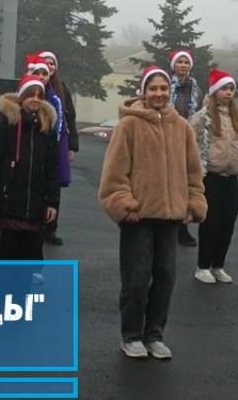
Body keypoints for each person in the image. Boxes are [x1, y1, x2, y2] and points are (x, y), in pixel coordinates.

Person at [99, 66, 207, 361]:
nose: (158, 93)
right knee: (136, 280)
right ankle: (131, 335)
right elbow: (114, 173)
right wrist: (125, 205)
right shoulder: (128, 126)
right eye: (153, 88)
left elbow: (193, 172)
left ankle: (154, 334)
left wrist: (193, 203)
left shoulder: (182, 128)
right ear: (143, 92)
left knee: (165, 278)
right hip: (139, 217)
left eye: (163, 88)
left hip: (171, 218)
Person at [0, 74, 60, 260]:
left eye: (39, 96)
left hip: (36, 205)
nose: (35, 99)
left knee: (30, 261)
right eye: (31, 95)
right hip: (8, 203)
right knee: (5, 260)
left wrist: (52, 202)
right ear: (22, 97)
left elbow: (52, 168)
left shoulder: (46, 129)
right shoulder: (7, 124)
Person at [188, 69, 238, 285]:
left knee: (228, 222)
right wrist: (193, 177)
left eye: (231, 89)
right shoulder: (202, 117)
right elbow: (189, 144)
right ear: (215, 91)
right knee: (211, 222)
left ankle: (218, 265)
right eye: (224, 88)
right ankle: (203, 266)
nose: (228, 92)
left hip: (230, 177)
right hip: (211, 177)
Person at [36, 50, 76, 246]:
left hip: (58, 141)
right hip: (38, 141)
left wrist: (72, 147)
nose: (49, 67)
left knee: (54, 184)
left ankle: (50, 228)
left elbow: (70, 117)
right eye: (46, 63)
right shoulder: (34, 87)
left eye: (52, 64)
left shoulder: (62, 89)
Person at [168, 49, 202, 247]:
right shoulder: (166, 85)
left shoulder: (195, 88)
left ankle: (183, 226)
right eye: (180, 62)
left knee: (184, 181)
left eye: (186, 62)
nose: (183, 65)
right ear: (174, 65)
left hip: (187, 136)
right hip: (168, 135)